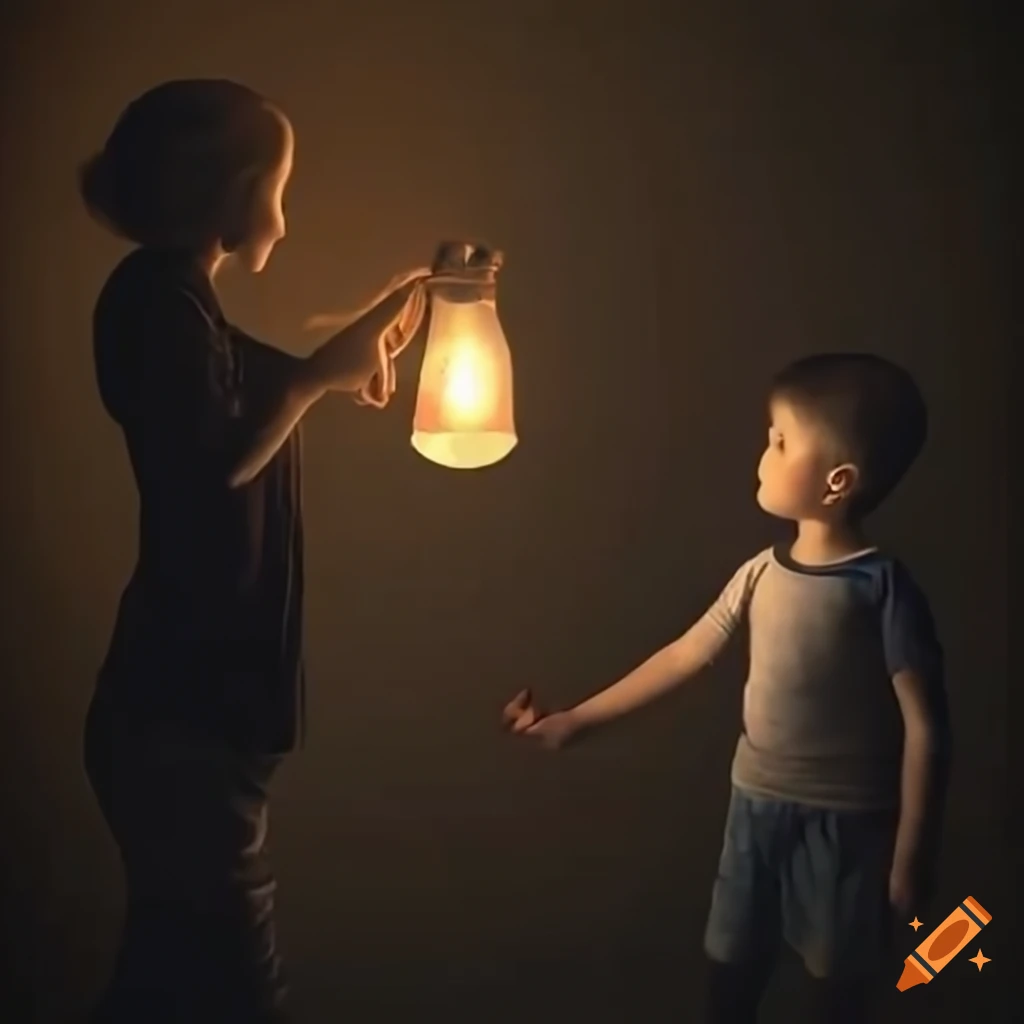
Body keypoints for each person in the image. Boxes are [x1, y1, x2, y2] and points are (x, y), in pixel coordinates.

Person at [78, 78, 432, 1023]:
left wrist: (355, 340)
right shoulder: (152, 304)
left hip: (191, 717)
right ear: (234, 195)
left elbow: (243, 389)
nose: (285, 209)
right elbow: (219, 454)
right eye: (279, 184)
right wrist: (319, 376)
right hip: (180, 720)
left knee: (169, 979)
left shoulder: (182, 309)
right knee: (235, 987)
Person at [503, 354, 952, 1024]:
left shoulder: (882, 589)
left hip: (847, 825)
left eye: (779, 440)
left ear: (837, 482)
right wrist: (575, 721)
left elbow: (926, 727)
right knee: (730, 974)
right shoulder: (760, 573)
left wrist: (911, 857)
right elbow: (687, 654)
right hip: (754, 808)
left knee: (836, 989)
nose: (763, 453)